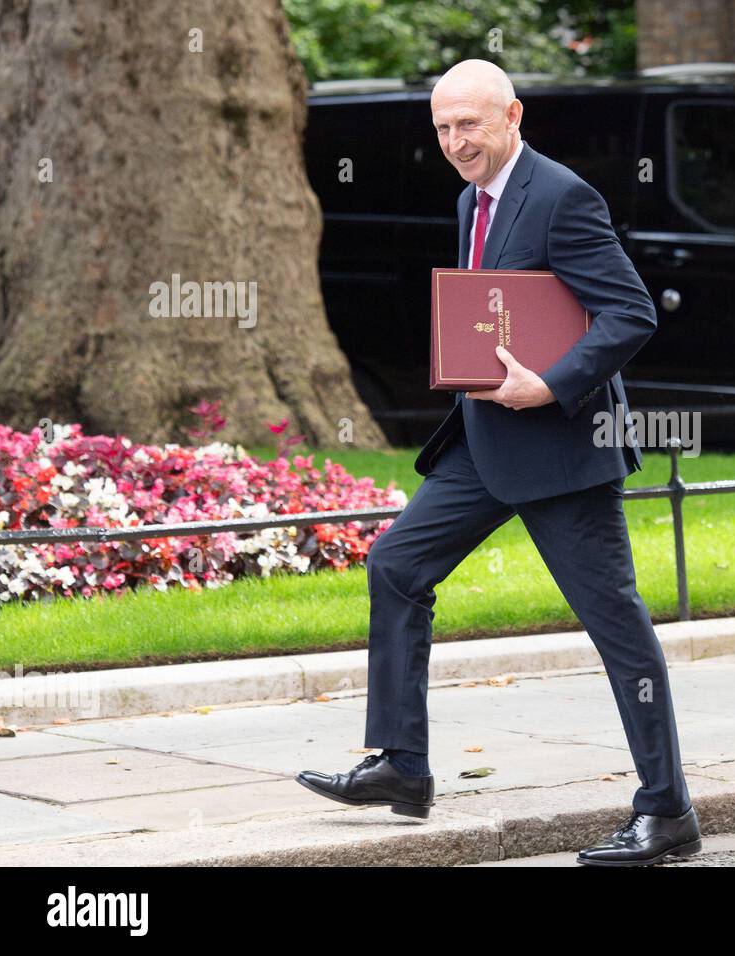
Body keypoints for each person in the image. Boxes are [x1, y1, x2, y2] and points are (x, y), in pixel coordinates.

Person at [296, 59, 700, 867]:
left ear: (512, 115)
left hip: (561, 451)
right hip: (484, 442)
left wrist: (550, 385)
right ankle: (402, 767)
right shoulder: (469, 197)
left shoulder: (562, 196)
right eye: (443, 129)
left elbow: (628, 312)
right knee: (397, 564)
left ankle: (668, 813)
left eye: (469, 125)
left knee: (617, 627)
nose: (455, 142)